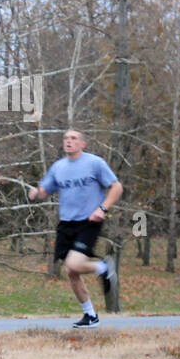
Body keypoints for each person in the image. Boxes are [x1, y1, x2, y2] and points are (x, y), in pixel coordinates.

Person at [27, 129, 122, 328]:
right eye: (66, 138)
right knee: (72, 272)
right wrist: (36, 193)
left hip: (89, 221)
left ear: (83, 144)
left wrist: (102, 209)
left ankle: (103, 268)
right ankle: (90, 316)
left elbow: (116, 187)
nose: (69, 141)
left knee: (73, 265)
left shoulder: (95, 163)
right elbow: (46, 191)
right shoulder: (58, 167)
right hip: (66, 224)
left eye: (73, 138)